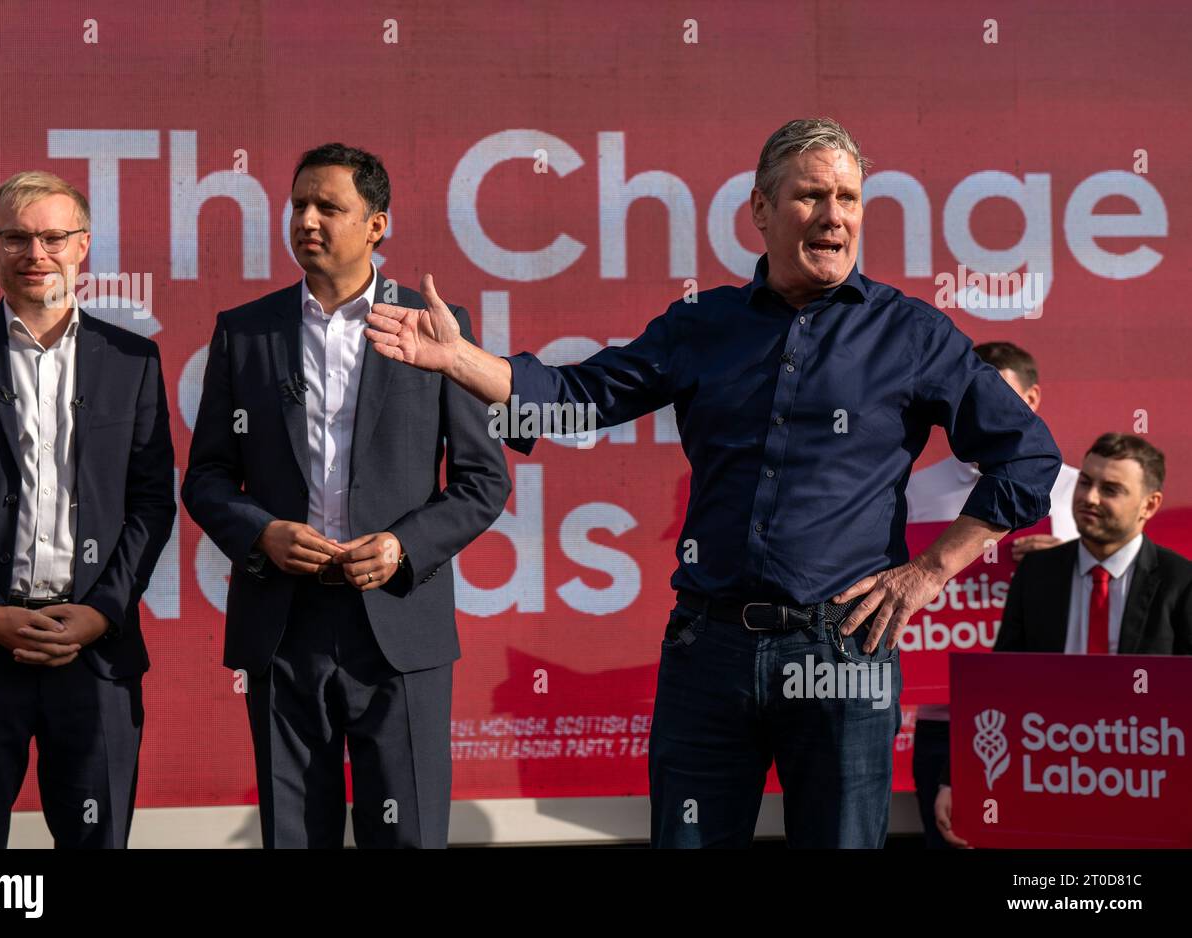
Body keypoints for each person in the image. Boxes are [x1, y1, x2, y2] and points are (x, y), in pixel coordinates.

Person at [364, 117, 1062, 848]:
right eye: (812, 196)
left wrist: (928, 572)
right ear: (760, 209)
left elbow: (1028, 459)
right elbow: (578, 398)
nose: (835, 217)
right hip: (708, 652)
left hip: (841, 656)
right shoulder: (703, 325)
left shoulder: (910, 334)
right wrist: (463, 363)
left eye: (850, 199)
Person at [182, 144, 510, 849]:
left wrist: (402, 545)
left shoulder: (435, 327)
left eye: (329, 206)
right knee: (295, 836)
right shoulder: (247, 333)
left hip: (399, 626)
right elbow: (205, 477)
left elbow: (485, 482)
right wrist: (262, 532)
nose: (307, 219)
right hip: (284, 624)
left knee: (410, 834)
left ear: (377, 226)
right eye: (298, 204)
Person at [0, 171, 175, 847]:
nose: (36, 252)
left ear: (83, 247)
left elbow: (150, 503)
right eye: (16, 237)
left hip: (95, 652)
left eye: (54, 237)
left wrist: (100, 611)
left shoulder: (132, 360)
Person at [935, 433, 1192, 846]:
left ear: (1150, 505)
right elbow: (1001, 684)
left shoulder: (1181, 583)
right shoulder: (1038, 574)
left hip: (1146, 792)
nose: (1089, 498)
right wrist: (959, 780)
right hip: (1050, 781)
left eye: (1110, 489)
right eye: (1085, 482)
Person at [906, 340, 1079, 849]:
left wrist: (1066, 559)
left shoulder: (1077, 491)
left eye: (1005, 399)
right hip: (945, 711)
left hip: (1049, 715)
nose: (990, 416)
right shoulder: (914, 490)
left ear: (1034, 399)